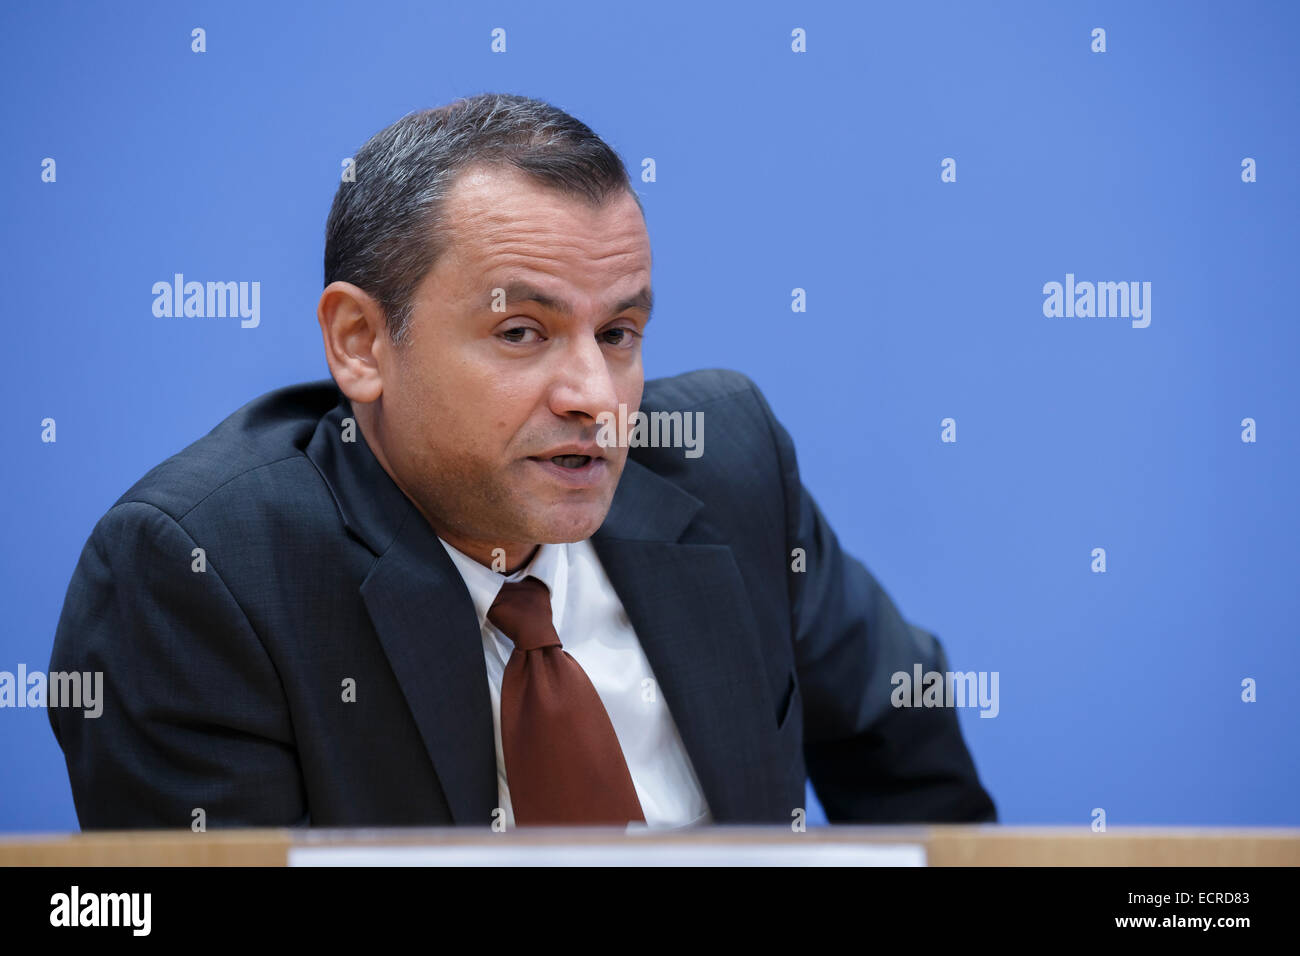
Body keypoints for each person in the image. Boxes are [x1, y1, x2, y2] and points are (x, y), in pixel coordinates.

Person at [48, 92, 996, 829]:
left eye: (619, 331)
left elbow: (924, 792)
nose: (594, 395)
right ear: (361, 344)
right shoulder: (202, 574)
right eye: (519, 331)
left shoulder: (730, 464)